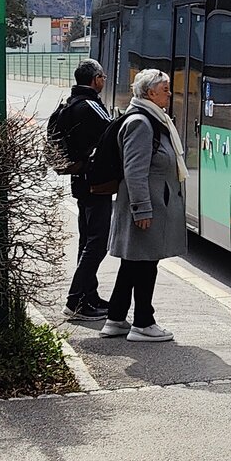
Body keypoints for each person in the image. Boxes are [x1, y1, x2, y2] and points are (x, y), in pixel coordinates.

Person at [103, 68, 187, 343]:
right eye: (165, 89)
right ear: (150, 93)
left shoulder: (151, 118)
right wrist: (142, 209)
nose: (169, 94)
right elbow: (135, 170)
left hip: (148, 202)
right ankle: (143, 322)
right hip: (145, 204)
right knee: (146, 265)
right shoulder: (141, 122)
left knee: (133, 263)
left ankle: (115, 319)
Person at [46, 59, 114, 321]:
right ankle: (76, 300)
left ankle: (89, 295)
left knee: (87, 241)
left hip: (80, 180)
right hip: (95, 182)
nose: (104, 81)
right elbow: (111, 132)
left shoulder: (69, 104)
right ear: (95, 79)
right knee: (97, 244)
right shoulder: (89, 105)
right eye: (103, 77)